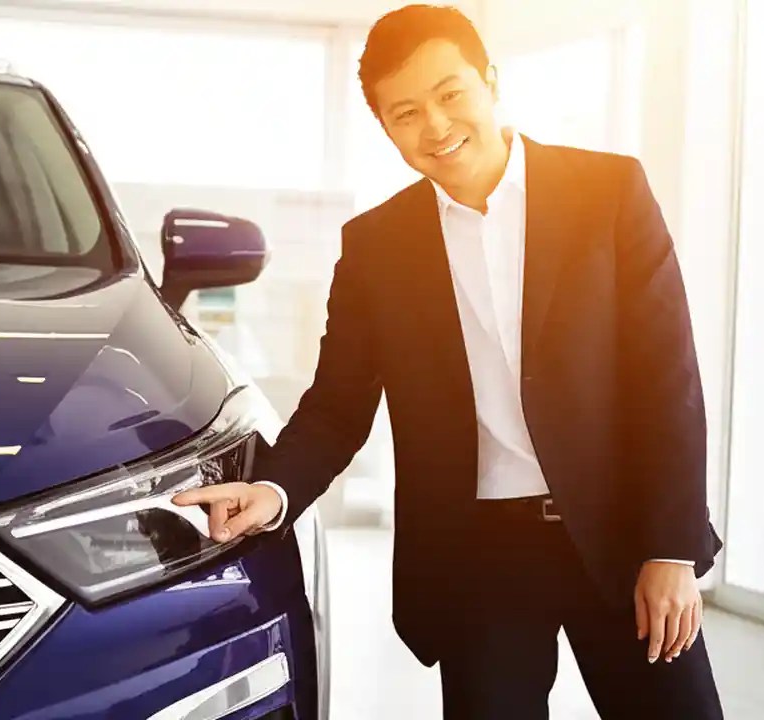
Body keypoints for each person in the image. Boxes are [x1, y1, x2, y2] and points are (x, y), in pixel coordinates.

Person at [173, 4, 725, 718]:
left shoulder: (609, 193)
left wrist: (670, 549)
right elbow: (338, 408)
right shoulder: (376, 247)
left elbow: (667, 380)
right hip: (480, 557)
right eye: (405, 113)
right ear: (386, 128)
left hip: (621, 536)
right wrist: (273, 491)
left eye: (451, 94)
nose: (434, 126)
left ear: (490, 81)